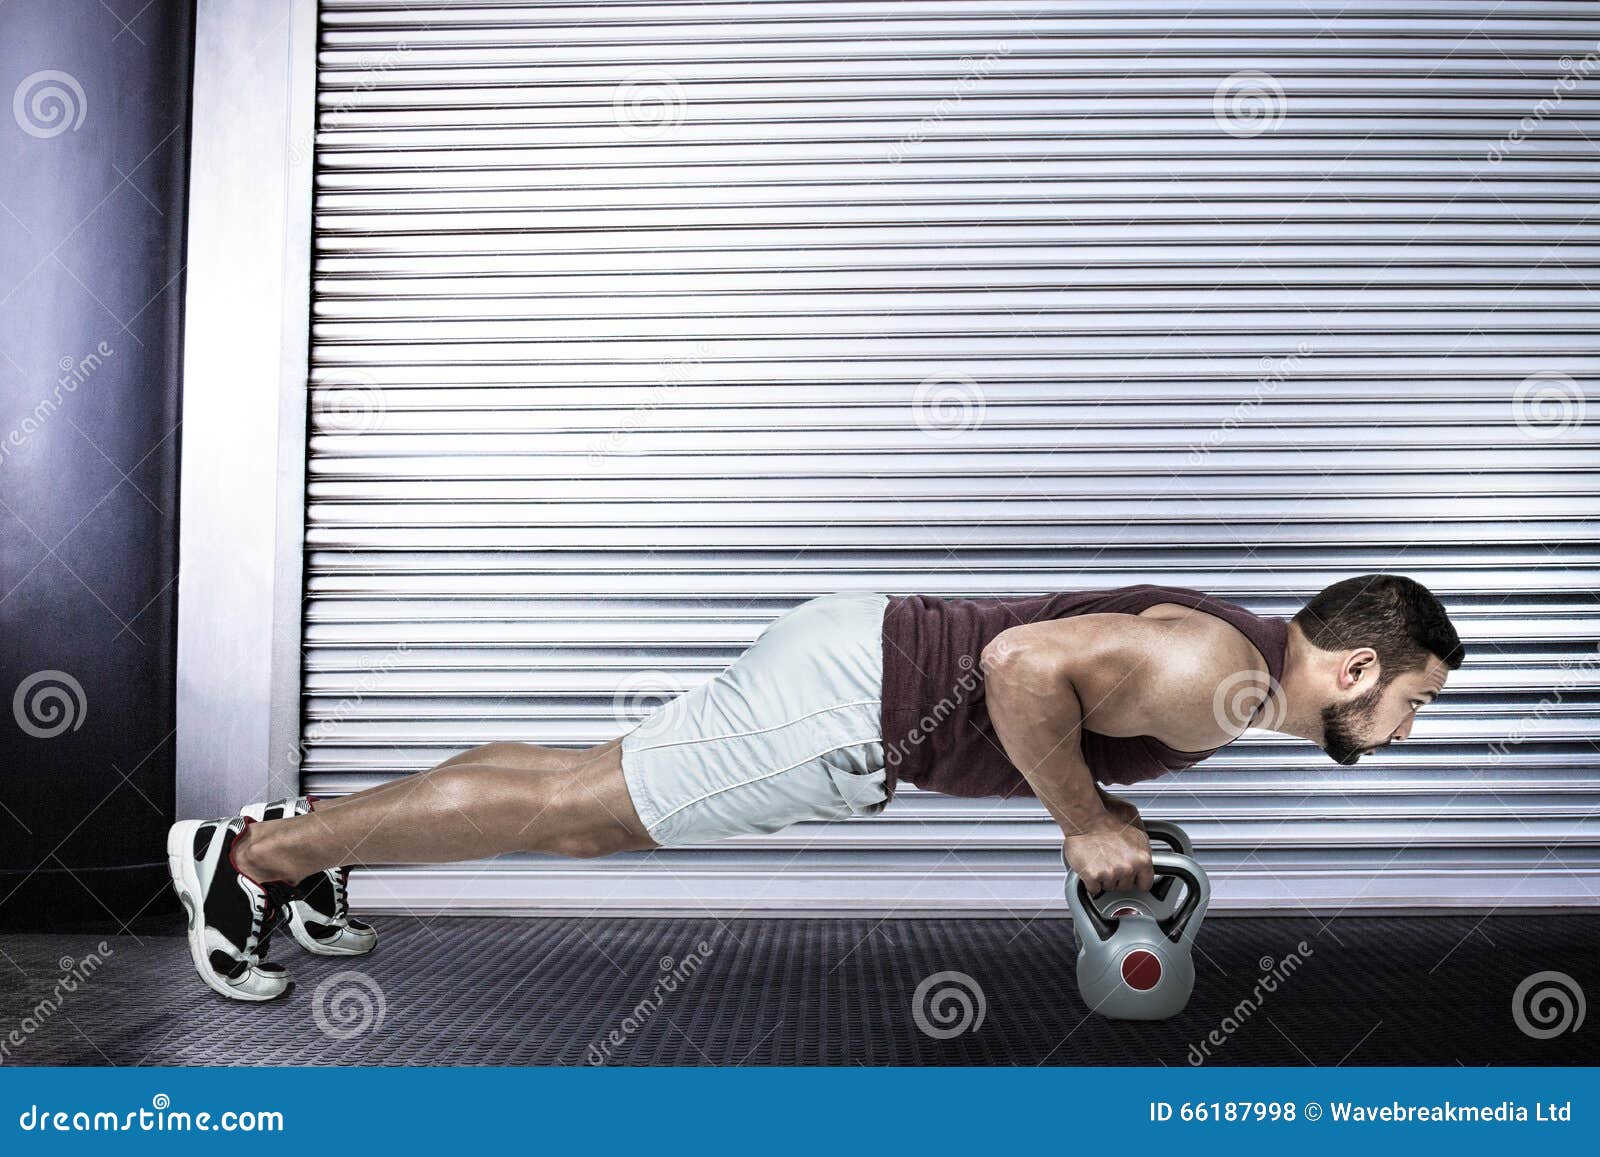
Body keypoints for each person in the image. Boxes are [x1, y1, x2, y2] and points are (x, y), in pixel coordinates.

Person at [166, 573, 1463, 1000]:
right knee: (576, 817)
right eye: (1413, 702)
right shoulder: (1222, 677)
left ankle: (311, 837)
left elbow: (1063, 691)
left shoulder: (1232, 665)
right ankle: (247, 860)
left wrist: (1100, 806)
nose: (1407, 731)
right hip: (858, 703)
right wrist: (1081, 824)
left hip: (862, 667)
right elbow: (1019, 669)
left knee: (573, 786)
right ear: (1357, 666)